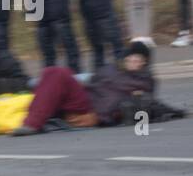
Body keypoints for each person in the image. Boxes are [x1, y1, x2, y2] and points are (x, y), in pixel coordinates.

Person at [12, 41, 182, 134]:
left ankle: (32, 124)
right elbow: (92, 81)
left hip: (94, 111)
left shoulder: (144, 81)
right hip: (86, 97)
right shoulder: (111, 69)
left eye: (138, 60)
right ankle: (30, 117)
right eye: (131, 58)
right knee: (51, 73)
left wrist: (177, 112)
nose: (133, 62)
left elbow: (150, 104)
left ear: (145, 63)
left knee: (57, 73)